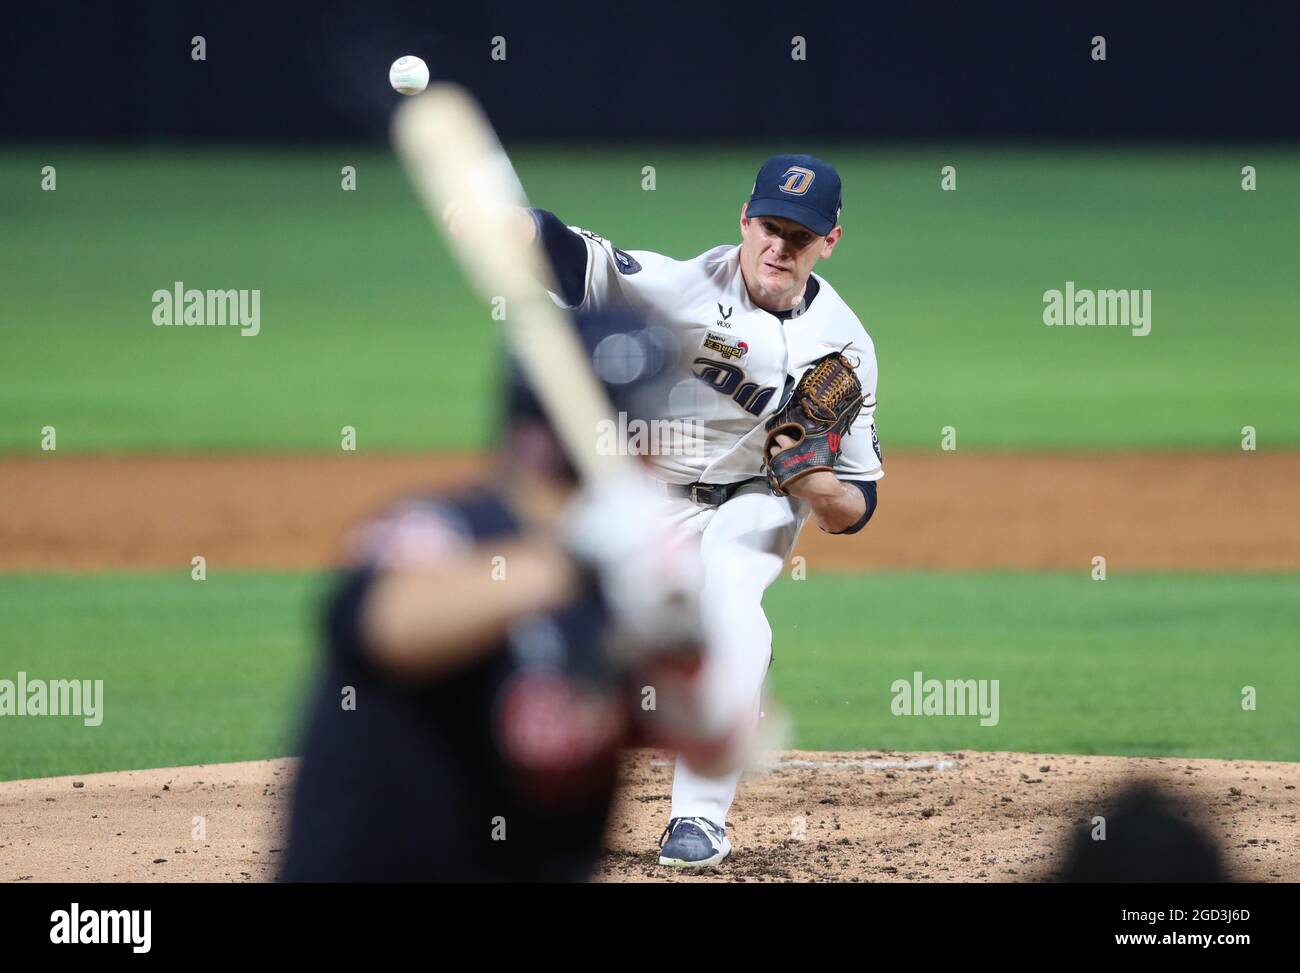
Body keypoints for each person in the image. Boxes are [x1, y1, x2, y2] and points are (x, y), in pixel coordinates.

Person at [447, 154, 883, 868]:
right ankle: (493, 778)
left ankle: (699, 819)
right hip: (647, 495)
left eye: (799, 236)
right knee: (555, 609)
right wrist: (517, 227)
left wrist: (815, 485)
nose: (779, 246)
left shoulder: (848, 347)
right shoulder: (681, 287)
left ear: (830, 241)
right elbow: (577, 259)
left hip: (757, 500)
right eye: (769, 226)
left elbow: (856, 506)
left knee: (733, 602)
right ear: (744, 221)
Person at [280, 310, 734, 881]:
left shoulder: (627, 577)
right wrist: (576, 560)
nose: (669, 442)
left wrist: (684, 644)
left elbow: (719, 746)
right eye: (658, 420)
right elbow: (386, 623)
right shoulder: (440, 530)